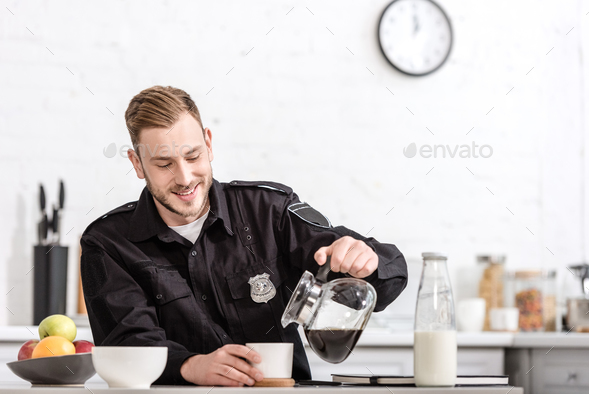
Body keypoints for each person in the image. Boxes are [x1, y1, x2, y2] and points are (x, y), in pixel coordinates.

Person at [80, 85, 408, 387]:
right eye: (164, 164)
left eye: (193, 156)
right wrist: (190, 366)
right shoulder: (108, 244)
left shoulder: (269, 210)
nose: (184, 178)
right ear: (137, 163)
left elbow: (387, 273)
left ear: (208, 143)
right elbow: (127, 346)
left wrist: (368, 260)